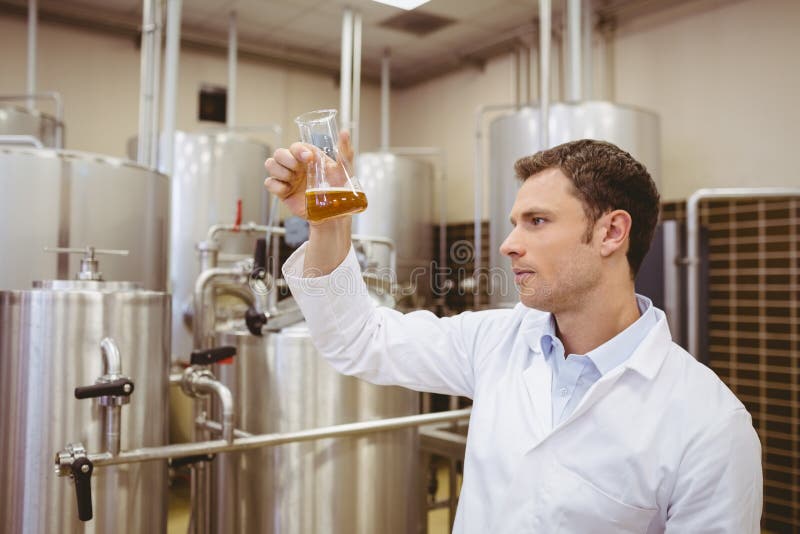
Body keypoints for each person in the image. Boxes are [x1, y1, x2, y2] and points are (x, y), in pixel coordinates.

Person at [264, 136, 762, 533]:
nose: (508, 245)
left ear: (612, 233)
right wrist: (327, 226)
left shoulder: (709, 426)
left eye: (537, 222)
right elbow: (359, 340)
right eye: (513, 223)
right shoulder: (495, 341)